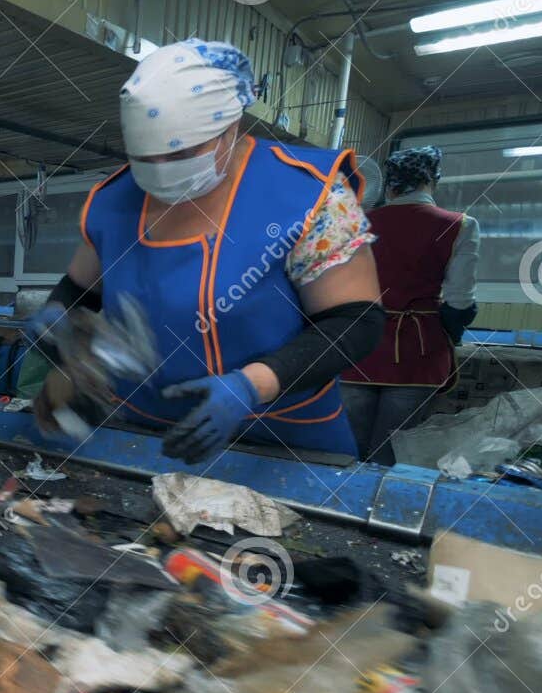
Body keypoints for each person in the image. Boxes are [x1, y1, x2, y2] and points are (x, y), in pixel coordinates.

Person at [29, 39, 385, 463]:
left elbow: (355, 322)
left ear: (230, 128)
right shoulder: (114, 200)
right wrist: (60, 332)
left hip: (281, 444)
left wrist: (252, 385)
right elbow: (78, 290)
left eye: (181, 153)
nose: (161, 169)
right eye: (146, 158)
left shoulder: (309, 195)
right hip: (144, 438)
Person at [340, 146, 480, 465]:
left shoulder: (353, 224)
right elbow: (460, 302)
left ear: (389, 182)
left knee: (346, 452)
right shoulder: (461, 225)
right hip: (417, 355)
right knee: (391, 455)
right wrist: (452, 333)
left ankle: (336, 510)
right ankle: (379, 512)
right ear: (432, 180)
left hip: (356, 348)